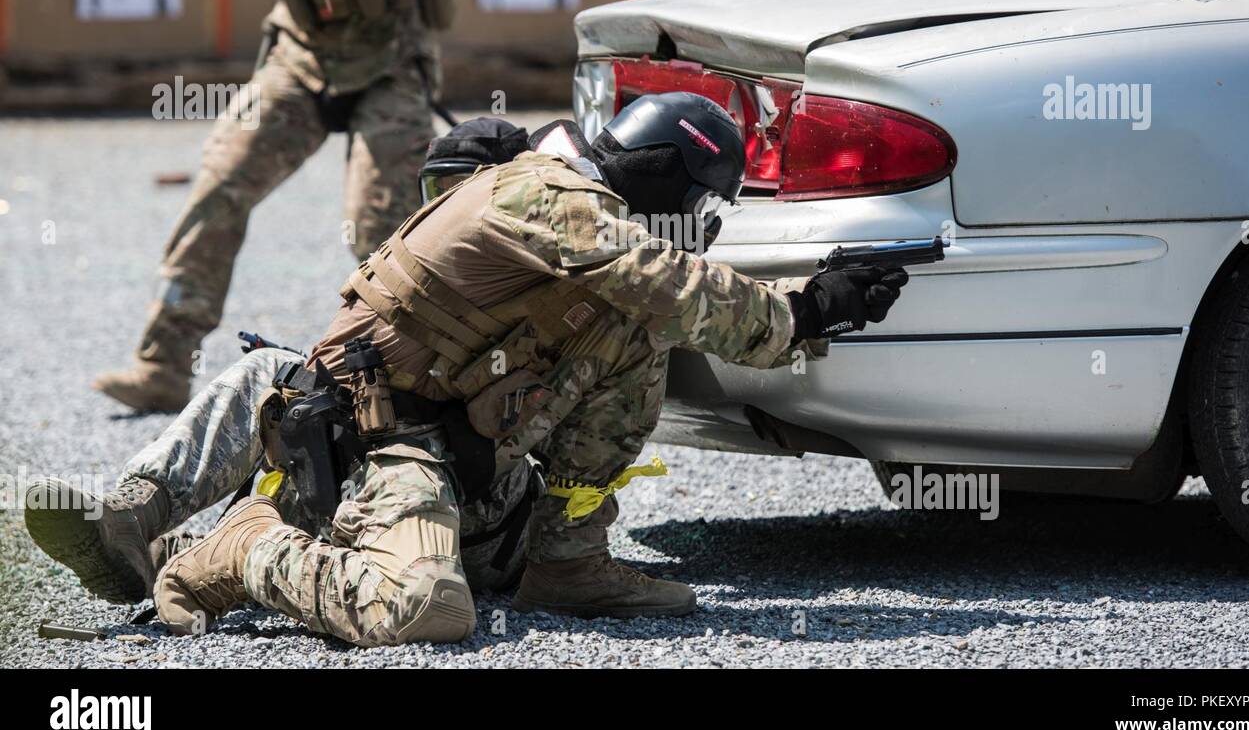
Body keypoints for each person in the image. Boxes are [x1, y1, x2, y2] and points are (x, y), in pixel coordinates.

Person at [28, 94, 909, 647]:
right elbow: (666, 278)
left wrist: (808, 296)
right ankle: (227, 544)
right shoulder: (551, 195)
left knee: (639, 333)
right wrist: (802, 310)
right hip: (375, 446)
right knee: (421, 610)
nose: (701, 226)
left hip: (443, 456)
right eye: (703, 205)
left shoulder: (579, 230)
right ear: (671, 181)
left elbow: (656, 296)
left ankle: (570, 559)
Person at [94, 0, 442, 413]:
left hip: (390, 63)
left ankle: (410, 379)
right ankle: (164, 364)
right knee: (221, 184)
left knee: (379, 228)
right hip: (301, 61)